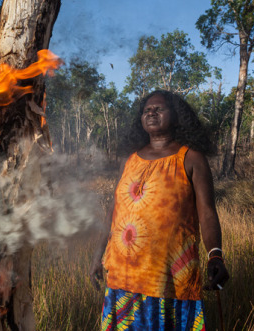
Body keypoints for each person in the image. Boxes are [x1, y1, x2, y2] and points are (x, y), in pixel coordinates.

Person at [89, 90, 229, 330]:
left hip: (170, 275)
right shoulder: (130, 159)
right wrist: (98, 254)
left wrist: (215, 254)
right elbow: (114, 210)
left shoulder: (191, 158)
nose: (151, 113)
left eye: (159, 109)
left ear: (176, 117)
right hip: (124, 274)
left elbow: (207, 212)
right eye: (146, 110)